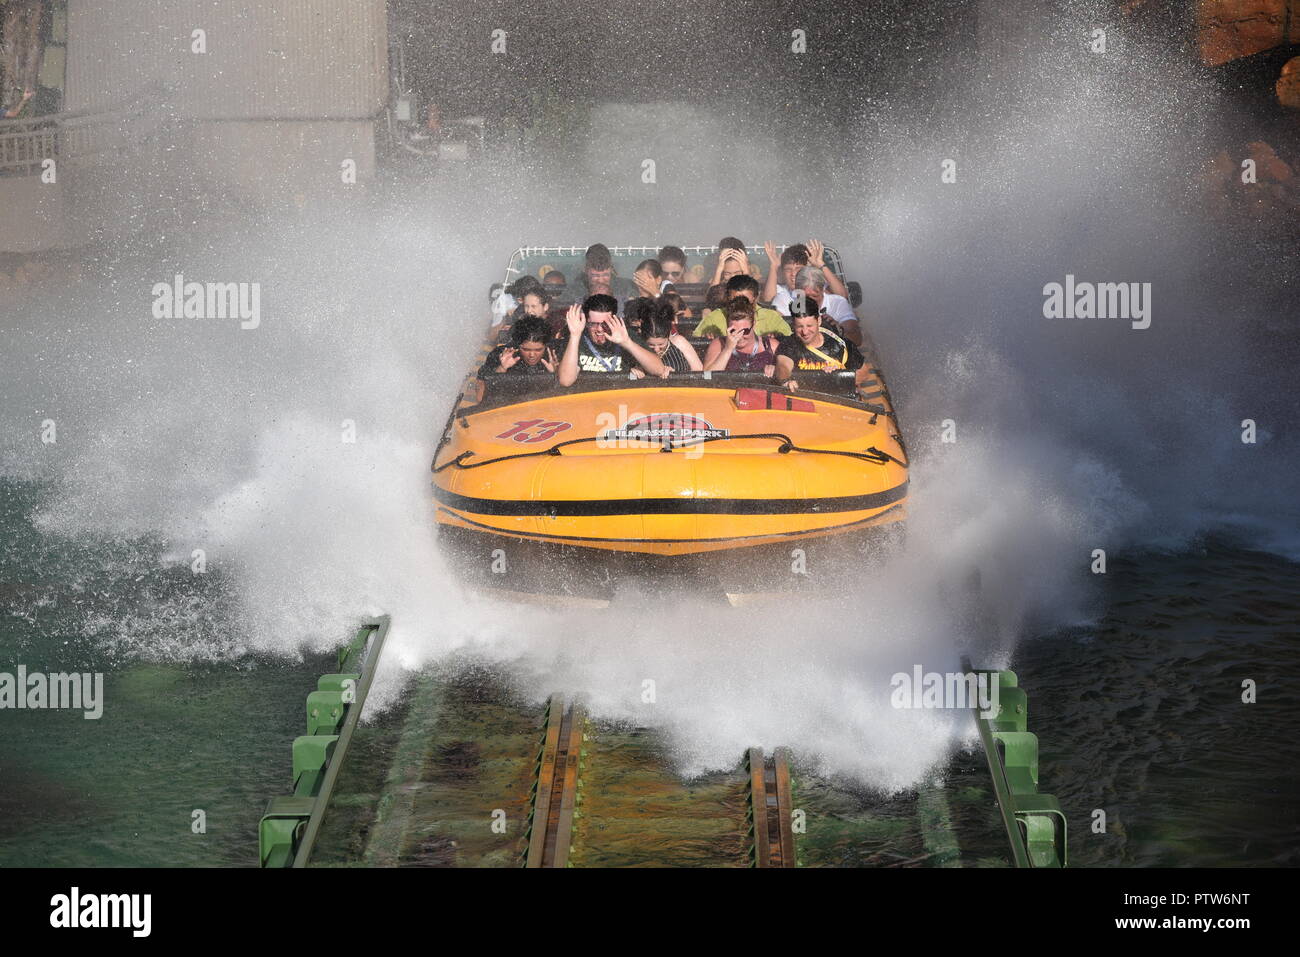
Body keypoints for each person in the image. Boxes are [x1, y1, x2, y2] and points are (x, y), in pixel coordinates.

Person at [557, 295, 666, 386]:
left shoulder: (626, 335)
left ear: (614, 319)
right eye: (594, 324)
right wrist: (575, 335)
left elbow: (658, 370)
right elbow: (566, 381)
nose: (599, 329)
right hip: (587, 401)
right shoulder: (577, 339)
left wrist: (627, 343)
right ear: (586, 321)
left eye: (605, 324)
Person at [774, 313, 869, 391]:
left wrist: (839, 373)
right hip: (804, 398)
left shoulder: (840, 344)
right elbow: (783, 366)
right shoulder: (789, 344)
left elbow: (864, 373)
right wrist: (786, 380)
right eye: (800, 326)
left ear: (818, 321)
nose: (805, 332)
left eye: (809, 326)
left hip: (839, 400)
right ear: (794, 325)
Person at [703, 299, 775, 375]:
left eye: (745, 331)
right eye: (734, 331)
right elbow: (706, 377)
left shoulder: (771, 346)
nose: (739, 337)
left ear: (753, 325)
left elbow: (786, 374)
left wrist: (777, 369)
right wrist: (728, 349)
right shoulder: (719, 344)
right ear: (727, 326)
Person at [631, 299, 701, 375]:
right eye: (651, 345)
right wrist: (635, 370)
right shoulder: (636, 346)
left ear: (668, 336)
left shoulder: (678, 342)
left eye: (661, 345)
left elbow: (699, 372)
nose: (656, 349)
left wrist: (676, 375)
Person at [478, 316, 557, 378]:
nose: (532, 355)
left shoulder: (555, 355)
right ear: (518, 345)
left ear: (546, 345)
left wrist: (556, 373)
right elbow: (481, 392)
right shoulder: (499, 355)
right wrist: (502, 368)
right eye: (526, 349)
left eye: (538, 350)